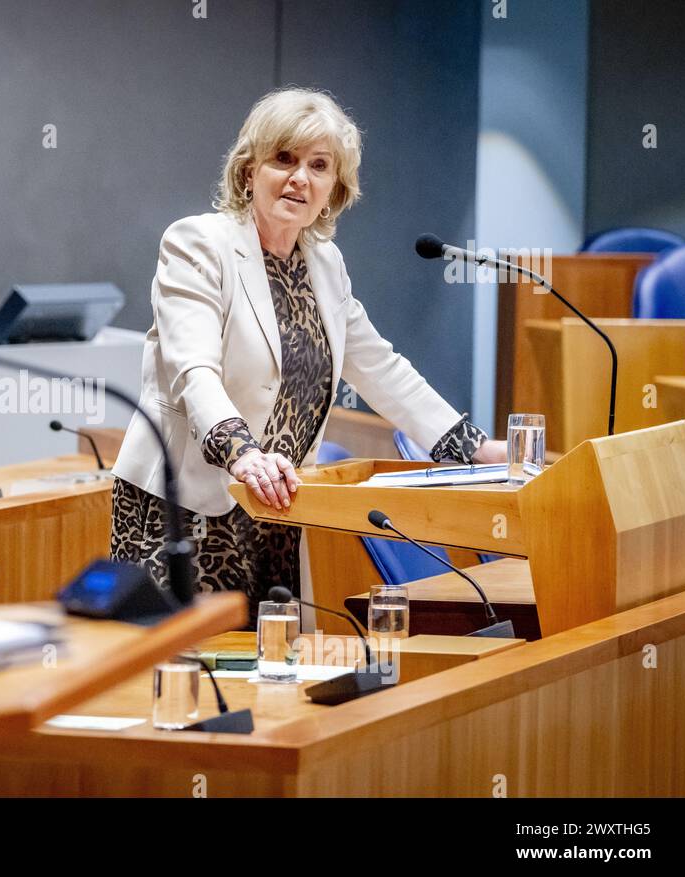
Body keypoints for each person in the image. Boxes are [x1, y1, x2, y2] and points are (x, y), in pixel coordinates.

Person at [109, 87, 505, 611]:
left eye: (319, 166)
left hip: (274, 509)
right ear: (250, 171)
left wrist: (473, 446)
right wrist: (242, 453)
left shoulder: (325, 263)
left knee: (264, 669)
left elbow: (379, 366)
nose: (300, 178)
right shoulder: (197, 244)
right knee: (177, 670)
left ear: (333, 189)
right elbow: (192, 370)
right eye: (284, 159)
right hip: (184, 505)